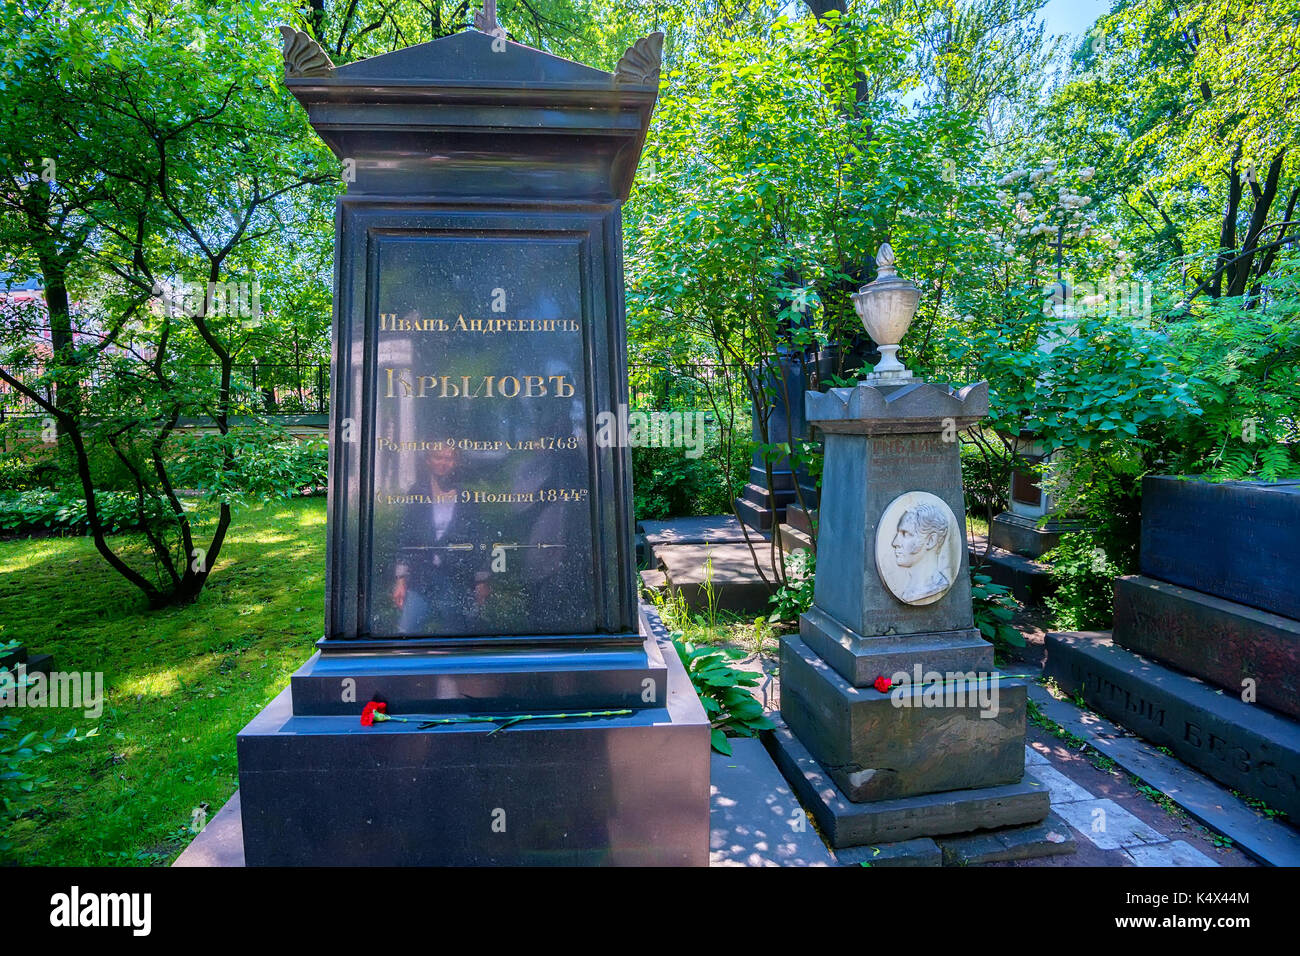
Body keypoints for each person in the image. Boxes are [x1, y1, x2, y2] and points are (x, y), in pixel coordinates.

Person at [391, 444, 489, 634]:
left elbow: (477, 539)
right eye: (438, 457)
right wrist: (401, 579)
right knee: (406, 632)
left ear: (456, 462)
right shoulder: (417, 492)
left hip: (456, 578)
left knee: (456, 634)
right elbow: (406, 537)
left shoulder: (466, 497)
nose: (443, 463)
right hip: (421, 577)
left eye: (449, 458)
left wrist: (481, 580)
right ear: (428, 461)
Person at [889, 502, 953, 603]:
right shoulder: (909, 590)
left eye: (905, 534)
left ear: (930, 540)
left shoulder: (935, 586)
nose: (895, 543)